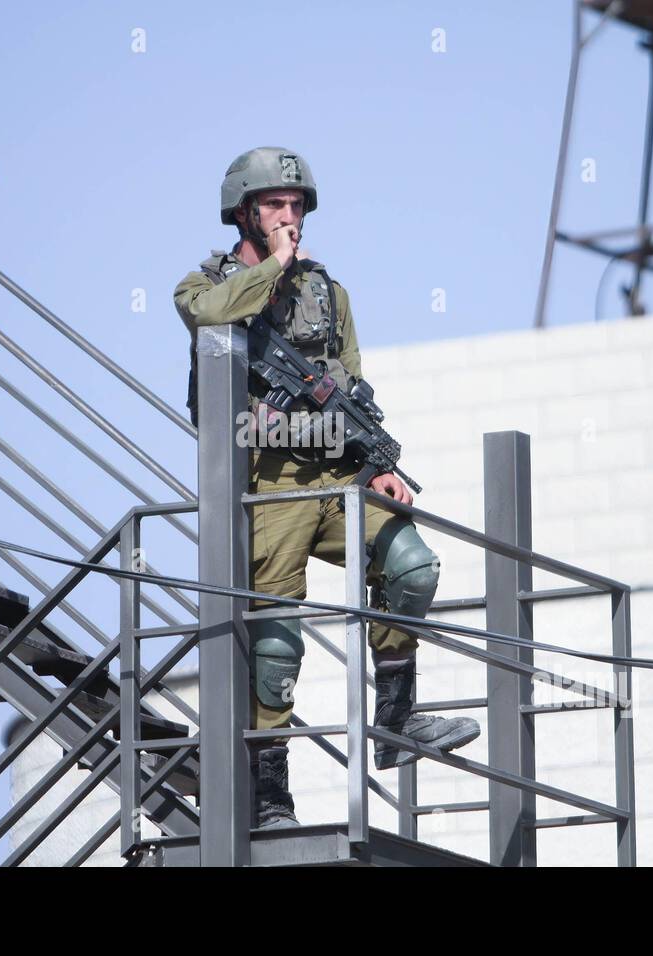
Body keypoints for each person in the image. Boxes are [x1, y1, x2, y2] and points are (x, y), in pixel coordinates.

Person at [173, 147, 480, 829]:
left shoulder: (326, 291)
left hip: (337, 476)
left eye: (297, 206)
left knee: (412, 565)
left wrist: (379, 463)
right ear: (244, 213)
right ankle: (270, 790)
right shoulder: (202, 285)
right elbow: (212, 319)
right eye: (276, 206)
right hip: (267, 486)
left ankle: (396, 723)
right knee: (277, 640)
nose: (291, 218)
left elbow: (353, 386)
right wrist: (274, 268)